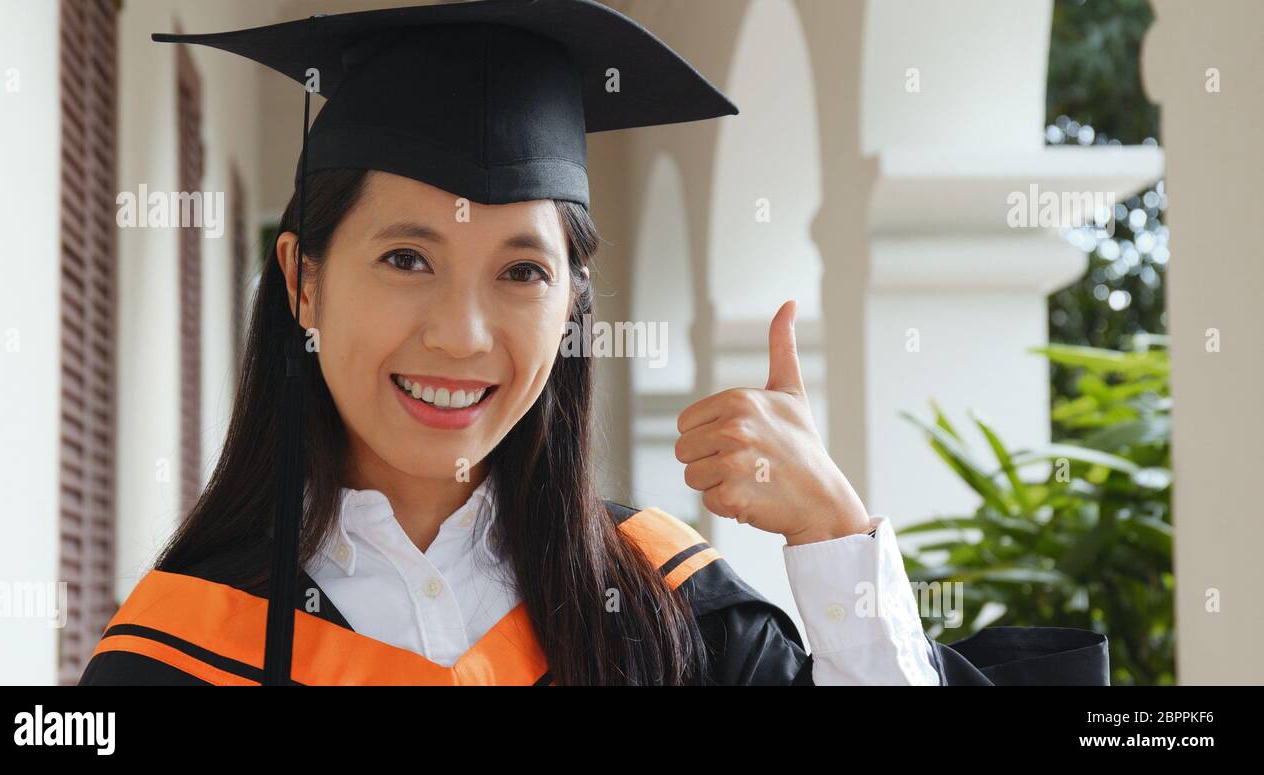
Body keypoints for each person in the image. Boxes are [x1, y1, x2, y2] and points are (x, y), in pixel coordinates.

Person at [78, 0, 1108, 686]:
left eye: (522, 271)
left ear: (573, 305)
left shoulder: (666, 613)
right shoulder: (178, 653)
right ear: (303, 279)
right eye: (406, 258)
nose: (462, 333)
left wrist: (834, 536)